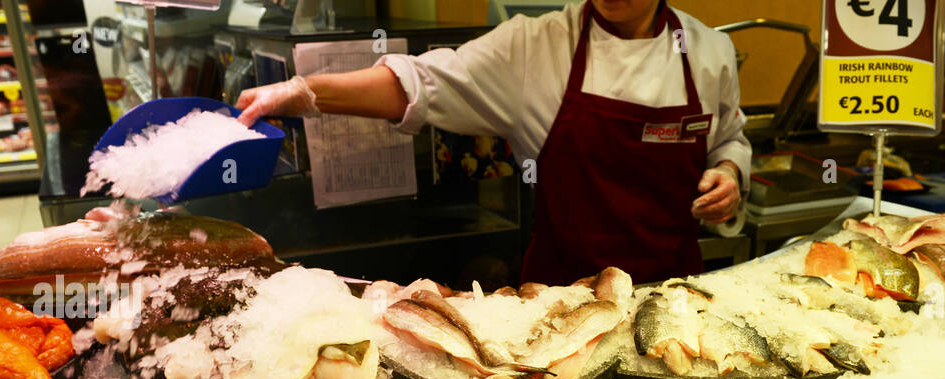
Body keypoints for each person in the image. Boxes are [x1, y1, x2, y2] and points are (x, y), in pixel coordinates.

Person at [236, 0, 750, 285]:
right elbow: (417, 83)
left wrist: (728, 174)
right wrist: (304, 92)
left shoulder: (709, 51)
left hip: (675, 298)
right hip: (563, 304)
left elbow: (729, 138)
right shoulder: (536, 45)